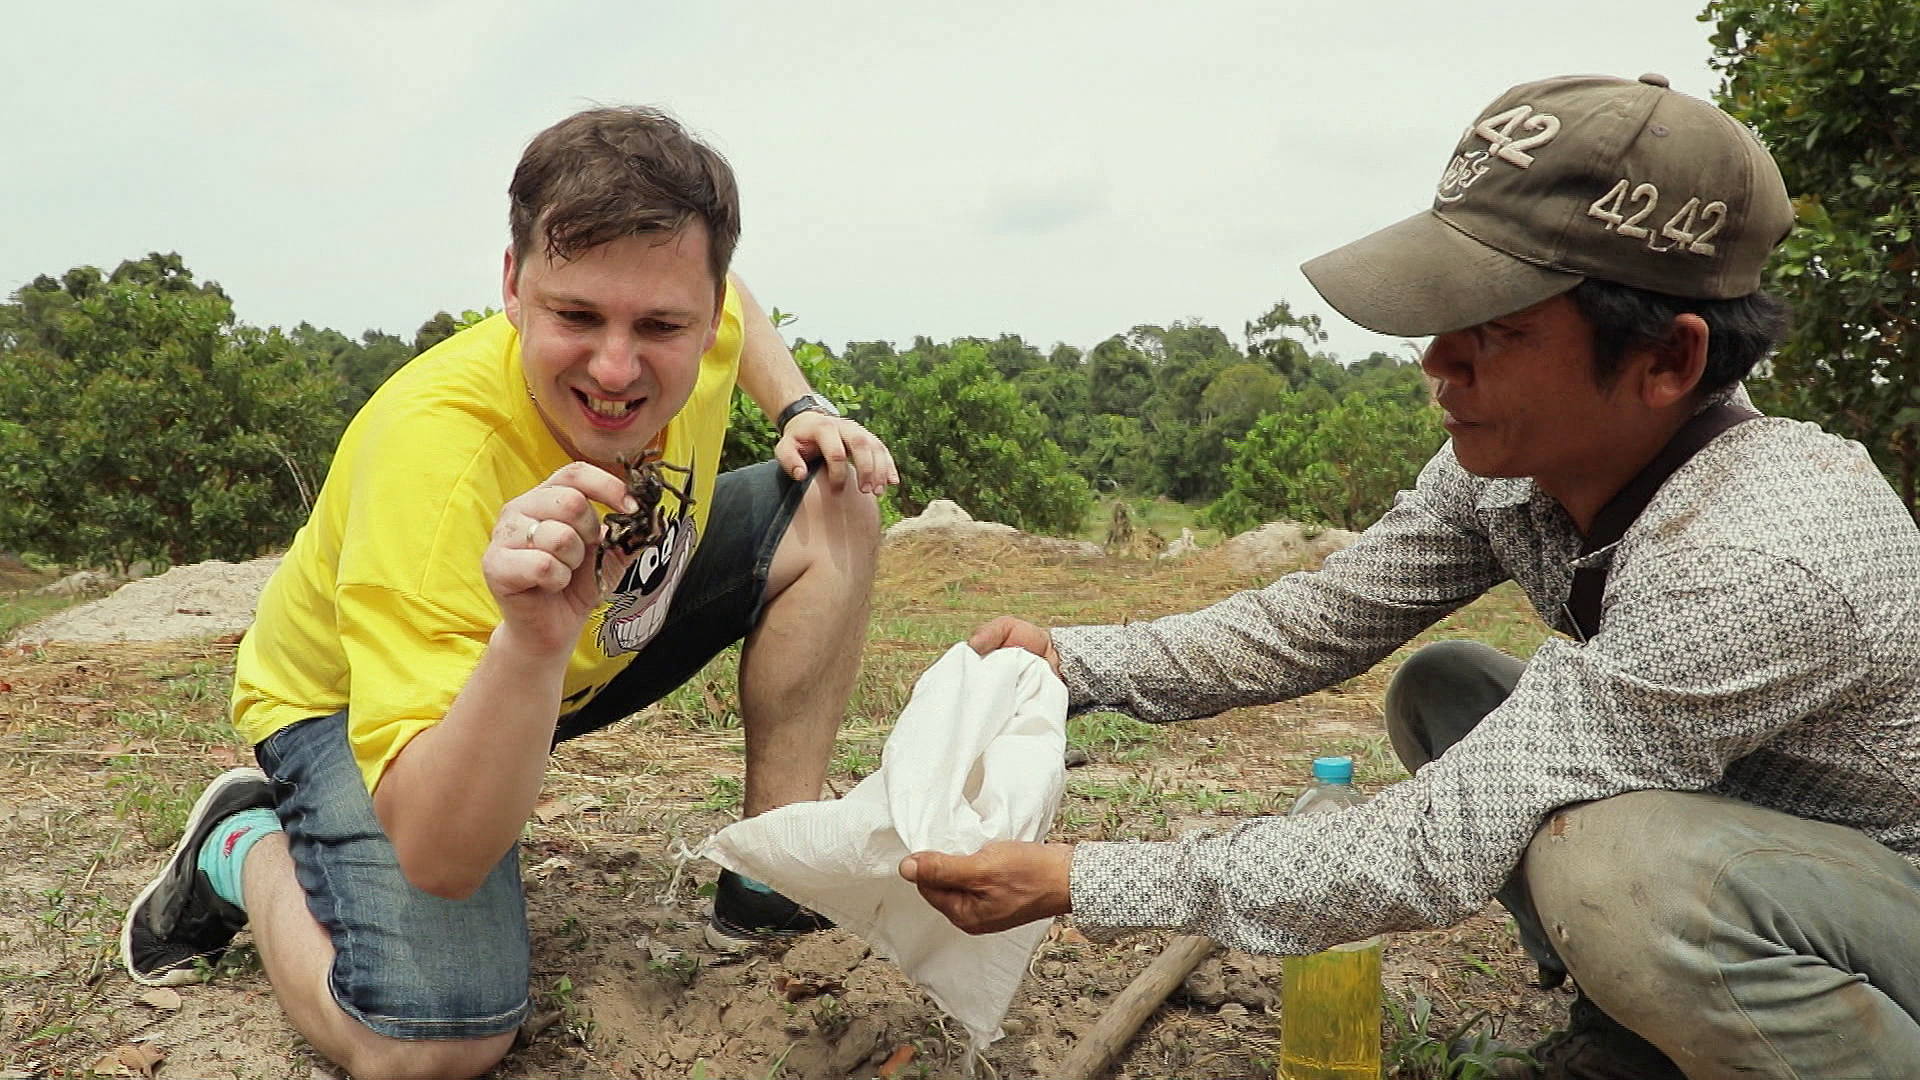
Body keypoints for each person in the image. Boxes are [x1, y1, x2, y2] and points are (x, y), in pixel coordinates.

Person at [900, 73, 1920, 1079]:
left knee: (1614, 872)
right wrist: (1074, 660)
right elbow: (1317, 618)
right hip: (1743, 837)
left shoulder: (1758, 556)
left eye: (1499, 327)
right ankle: (1634, 1036)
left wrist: (1082, 878)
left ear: (1667, 359)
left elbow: (1433, 845)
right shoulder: (1516, 469)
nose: (1438, 360)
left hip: (1886, 907)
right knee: (1451, 693)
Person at [119, 106, 897, 1080]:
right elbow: (441, 855)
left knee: (839, 494)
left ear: (699, 315)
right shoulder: (438, 461)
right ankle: (242, 844)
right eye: (576, 316)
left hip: (588, 632)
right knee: (433, 1046)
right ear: (512, 286)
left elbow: (735, 300)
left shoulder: (699, 315)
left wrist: (801, 407)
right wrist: (529, 642)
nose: (616, 369)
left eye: (661, 324)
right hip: (360, 704)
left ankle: (773, 871)